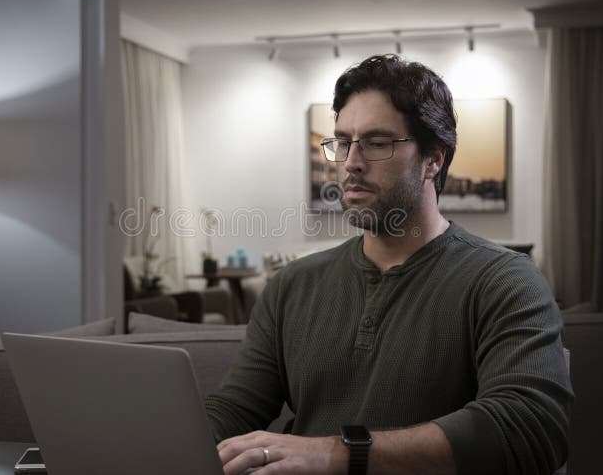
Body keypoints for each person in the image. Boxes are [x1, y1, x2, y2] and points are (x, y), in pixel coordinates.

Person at [205, 54, 573, 475]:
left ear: (434, 159)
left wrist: (336, 454)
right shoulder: (292, 285)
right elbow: (234, 409)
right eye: (343, 142)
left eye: (377, 143)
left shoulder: (506, 281)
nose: (351, 163)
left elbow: (530, 429)